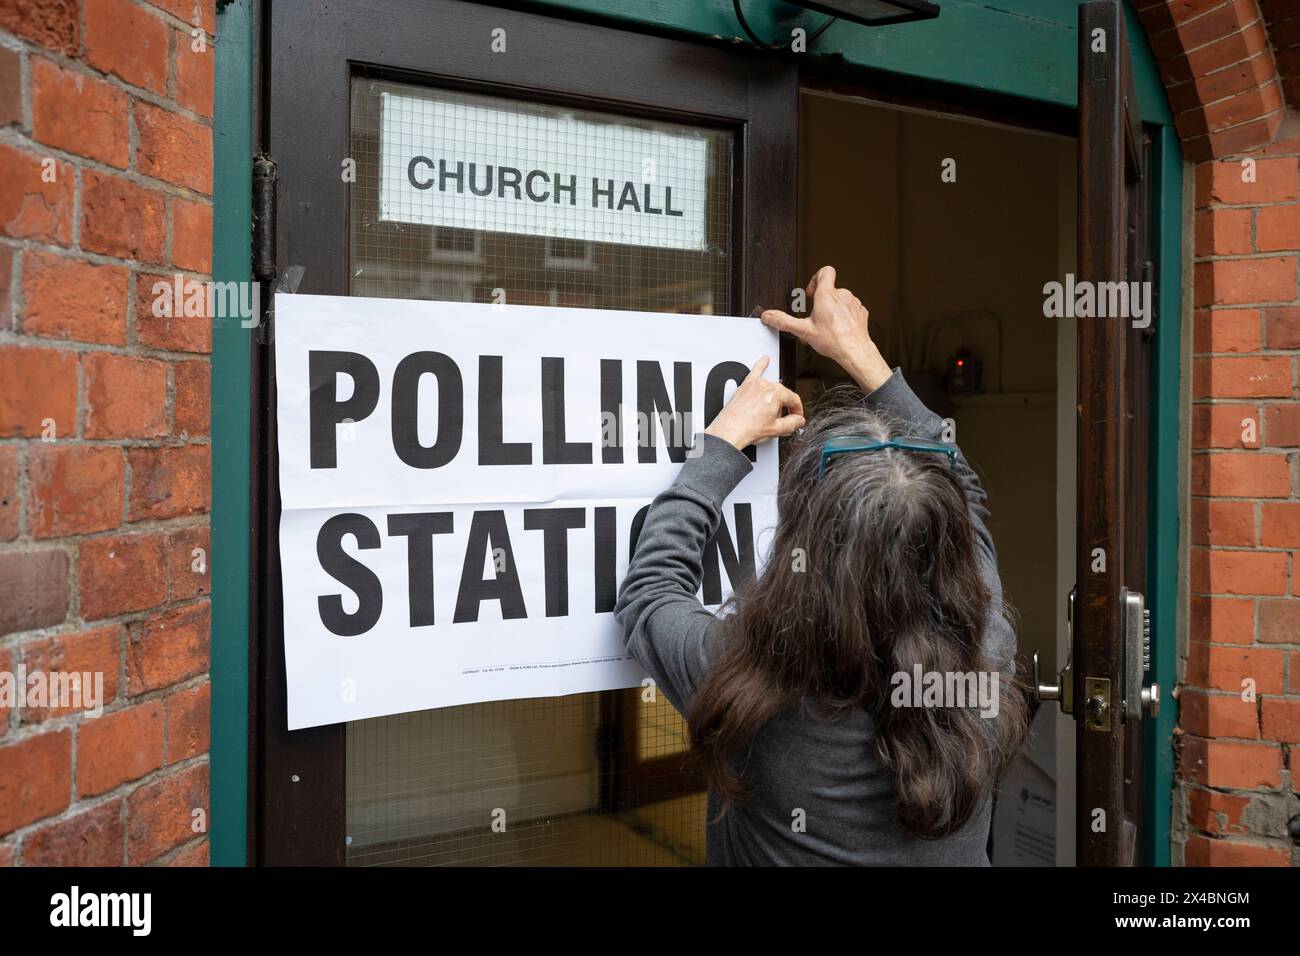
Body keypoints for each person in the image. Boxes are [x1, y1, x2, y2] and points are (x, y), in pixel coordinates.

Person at [614, 266, 1027, 866]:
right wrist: (864, 357)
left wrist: (723, 443)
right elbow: (965, 491)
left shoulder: (750, 682)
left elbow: (649, 592)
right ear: (950, 544)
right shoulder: (986, 649)